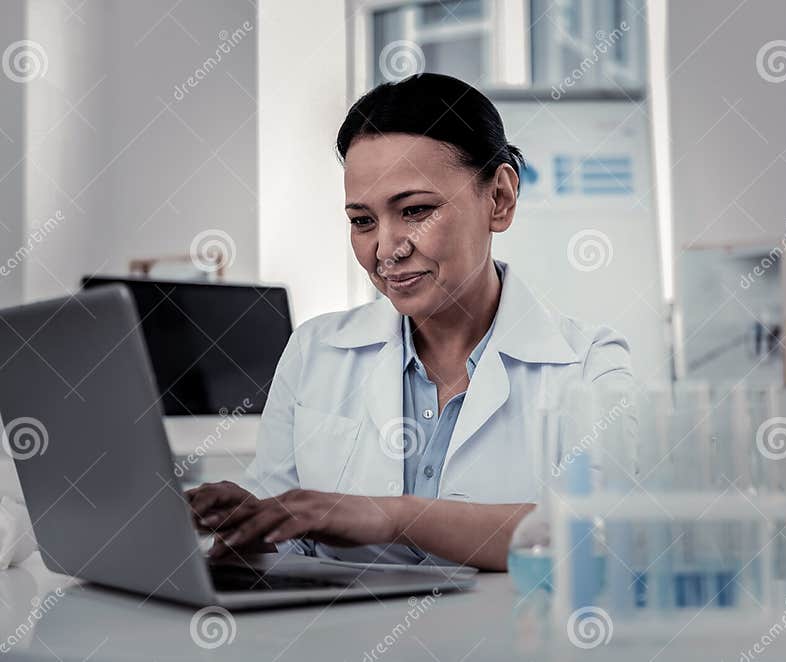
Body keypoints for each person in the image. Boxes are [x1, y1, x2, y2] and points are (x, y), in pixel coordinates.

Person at [186, 73, 633, 571]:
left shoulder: (591, 363)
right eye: (362, 221)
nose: (386, 249)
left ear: (500, 198)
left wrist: (393, 516)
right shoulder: (315, 350)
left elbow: (598, 532)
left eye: (416, 210)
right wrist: (252, 526)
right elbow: (285, 537)